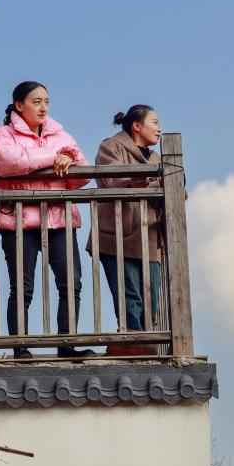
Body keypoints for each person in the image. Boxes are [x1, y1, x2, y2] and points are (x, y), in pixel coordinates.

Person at [0, 81, 97, 359]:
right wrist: (54, 158)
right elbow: (7, 162)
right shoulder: (2, 134)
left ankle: (66, 346)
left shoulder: (61, 134)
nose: (43, 107)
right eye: (36, 101)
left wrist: (67, 159)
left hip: (58, 217)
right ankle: (20, 348)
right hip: (18, 221)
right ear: (19, 106)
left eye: (46, 101)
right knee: (22, 288)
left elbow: (83, 174)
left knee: (71, 283)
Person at [88, 105, 164, 356]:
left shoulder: (157, 159)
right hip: (118, 234)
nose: (159, 128)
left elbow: (177, 191)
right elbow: (113, 180)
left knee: (151, 299)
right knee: (130, 296)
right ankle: (137, 348)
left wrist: (156, 183)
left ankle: (145, 344)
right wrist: (147, 181)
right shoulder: (111, 146)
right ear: (136, 125)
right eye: (154, 122)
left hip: (150, 237)